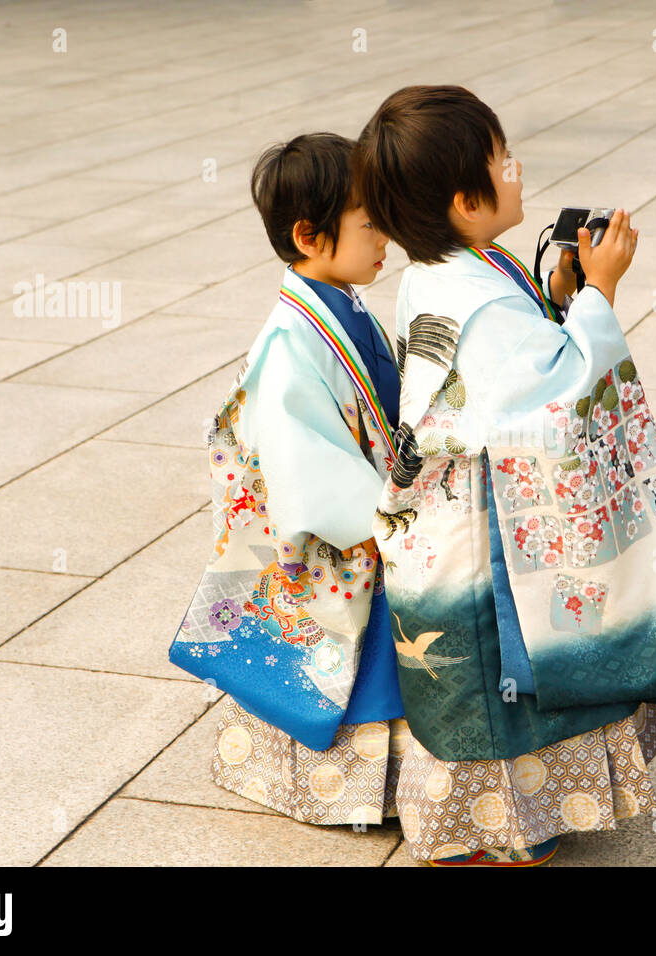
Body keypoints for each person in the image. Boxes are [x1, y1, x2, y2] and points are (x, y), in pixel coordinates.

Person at [351, 85, 656, 865]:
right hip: (480, 536)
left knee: (469, 679)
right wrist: (601, 295)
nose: (516, 172)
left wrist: (557, 294)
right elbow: (561, 395)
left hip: (439, 513)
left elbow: (516, 372)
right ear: (465, 200)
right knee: (495, 678)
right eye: (504, 162)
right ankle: (487, 833)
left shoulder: (443, 271)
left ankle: (492, 817)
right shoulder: (480, 303)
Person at [170, 132, 408, 827]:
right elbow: (304, 463)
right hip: (343, 523)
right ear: (309, 235)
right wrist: (386, 515)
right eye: (370, 222)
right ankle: (346, 790)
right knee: (353, 659)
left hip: (372, 496)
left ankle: (378, 784)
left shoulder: (342, 304)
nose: (384, 234)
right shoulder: (289, 342)